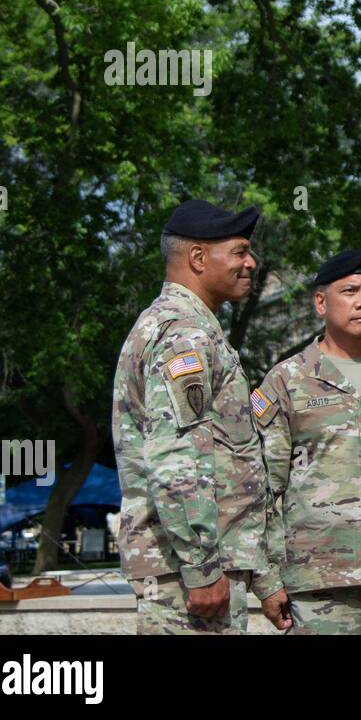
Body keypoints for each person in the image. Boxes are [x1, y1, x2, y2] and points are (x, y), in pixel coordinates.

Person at [112, 199, 289, 634]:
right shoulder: (182, 335)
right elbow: (176, 460)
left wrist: (263, 576)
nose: (251, 263)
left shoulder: (195, 330)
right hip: (189, 577)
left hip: (209, 568)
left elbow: (232, 463)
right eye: (240, 252)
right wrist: (201, 567)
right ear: (197, 257)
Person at [251, 247, 361, 634]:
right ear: (321, 302)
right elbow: (262, 489)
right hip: (320, 582)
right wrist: (267, 579)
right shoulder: (287, 380)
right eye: (350, 291)